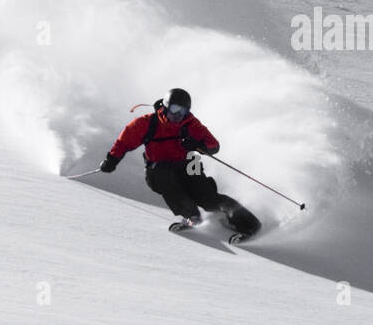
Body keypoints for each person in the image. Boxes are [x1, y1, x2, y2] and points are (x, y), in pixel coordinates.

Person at [99, 87, 260, 239]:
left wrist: (198, 145)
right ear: (166, 107)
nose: (179, 115)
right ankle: (192, 216)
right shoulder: (146, 123)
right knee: (162, 174)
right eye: (175, 109)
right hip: (159, 169)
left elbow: (214, 145)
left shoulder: (190, 124)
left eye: (183, 111)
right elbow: (124, 142)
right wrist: (111, 160)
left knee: (208, 197)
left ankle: (248, 224)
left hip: (188, 165)